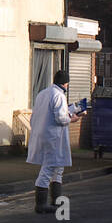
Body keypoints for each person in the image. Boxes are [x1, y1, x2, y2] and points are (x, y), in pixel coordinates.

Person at [27, 69, 85, 213]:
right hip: (53, 137)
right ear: (66, 83)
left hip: (42, 134)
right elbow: (61, 118)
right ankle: (41, 204)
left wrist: (68, 112)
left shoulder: (43, 93)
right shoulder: (59, 96)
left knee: (58, 167)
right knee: (49, 167)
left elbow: (35, 116)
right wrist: (74, 118)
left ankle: (56, 201)